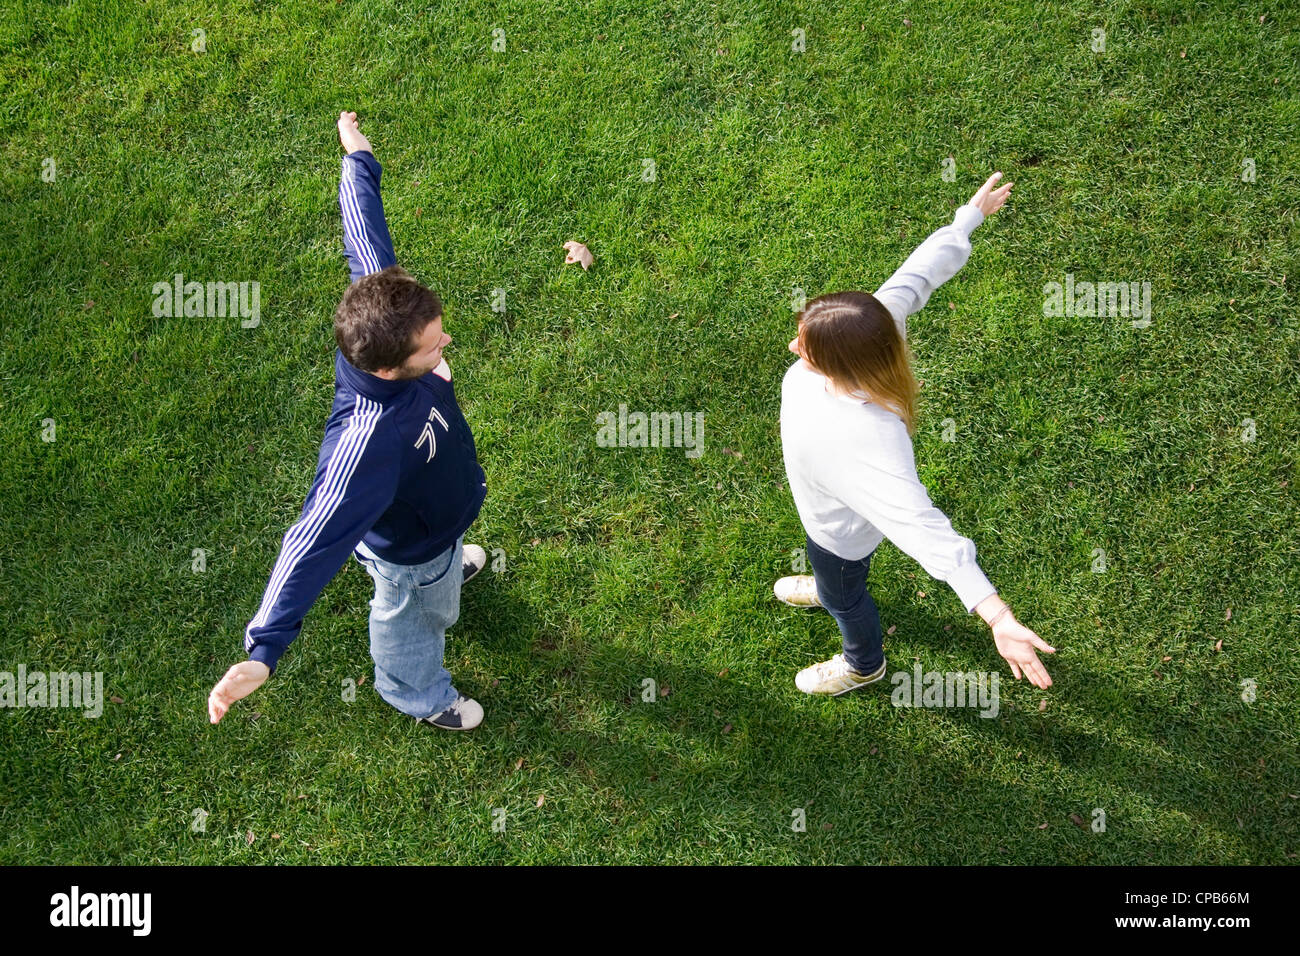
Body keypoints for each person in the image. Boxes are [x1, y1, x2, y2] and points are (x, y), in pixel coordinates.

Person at [208, 112, 491, 730]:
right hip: (413, 550)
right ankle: (415, 693)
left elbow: (364, 233)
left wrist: (357, 159)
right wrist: (265, 649)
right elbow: (311, 541)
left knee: (425, 575)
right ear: (391, 369)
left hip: (426, 518)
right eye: (434, 348)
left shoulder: (378, 310)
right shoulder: (367, 444)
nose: (447, 344)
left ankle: (441, 571)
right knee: (411, 612)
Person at [775, 172, 1056, 696]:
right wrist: (968, 220)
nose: (794, 348)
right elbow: (915, 276)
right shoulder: (878, 330)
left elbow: (925, 528)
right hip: (839, 512)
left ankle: (863, 663)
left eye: (807, 348)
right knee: (838, 576)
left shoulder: (864, 438)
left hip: (837, 533)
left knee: (844, 592)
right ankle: (833, 586)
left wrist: (996, 615)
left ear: (842, 363)